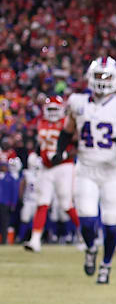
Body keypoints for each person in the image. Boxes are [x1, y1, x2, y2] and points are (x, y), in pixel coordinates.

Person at [57, 57, 116, 284]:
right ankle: (91, 247)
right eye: (98, 76)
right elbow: (67, 131)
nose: (102, 81)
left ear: (115, 79)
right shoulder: (77, 102)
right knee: (86, 220)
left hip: (112, 171)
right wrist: (60, 150)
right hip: (85, 168)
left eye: (106, 77)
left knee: (112, 225)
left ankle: (106, 265)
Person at [24, 95, 79, 252]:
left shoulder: (67, 123)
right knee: (42, 202)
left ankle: (85, 234)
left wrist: (64, 155)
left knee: (66, 204)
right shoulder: (41, 122)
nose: (53, 112)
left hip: (64, 166)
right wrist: (35, 154)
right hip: (46, 167)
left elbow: (77, 144)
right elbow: (40, 143)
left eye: (56, 109)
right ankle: (35, 241)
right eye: (51, 109)